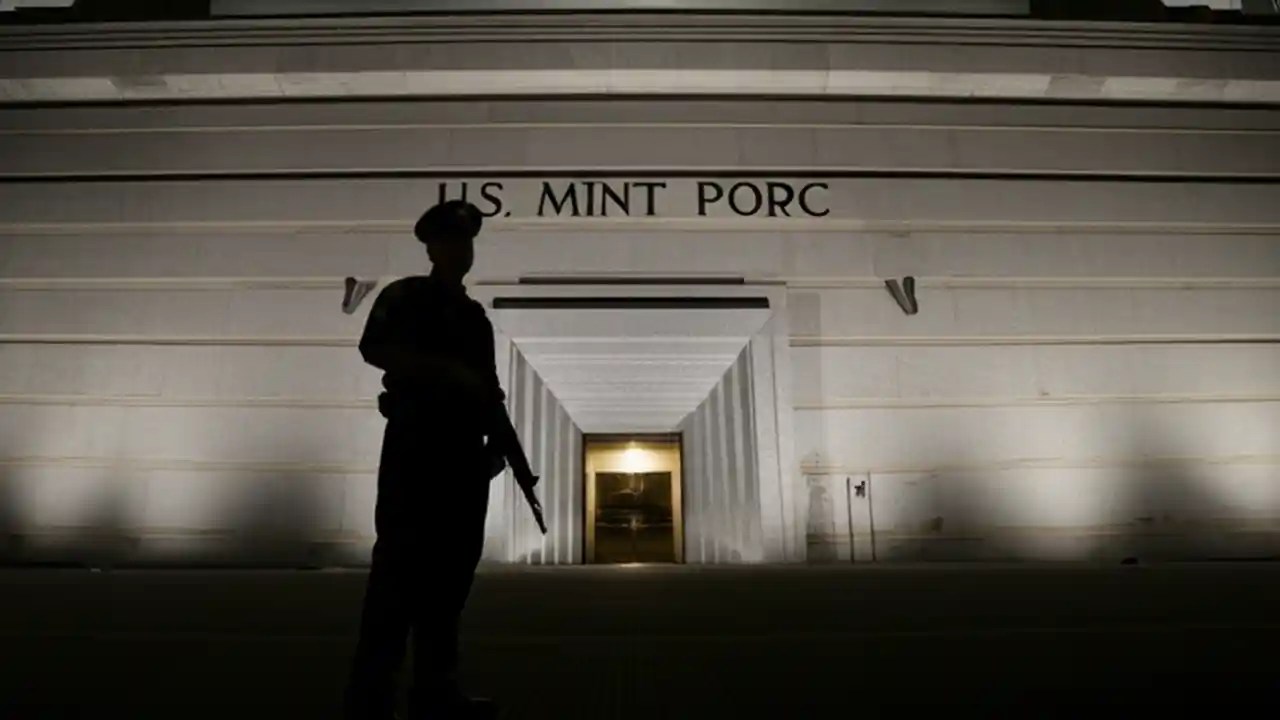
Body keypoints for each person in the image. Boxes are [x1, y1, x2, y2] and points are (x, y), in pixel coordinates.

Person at [344, 200, 533, 720]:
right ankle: (371, 693)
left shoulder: (474, 317)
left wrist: (499, 447)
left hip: (462, 455)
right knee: (398, 572)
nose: (461, 252)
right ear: (431, 247)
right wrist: (442, 370)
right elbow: (374, 346)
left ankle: (436, 689)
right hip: (417, 446)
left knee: (451, 579)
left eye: (467, 243)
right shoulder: (405, 296)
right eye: (451, 242)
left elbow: (488, 390)